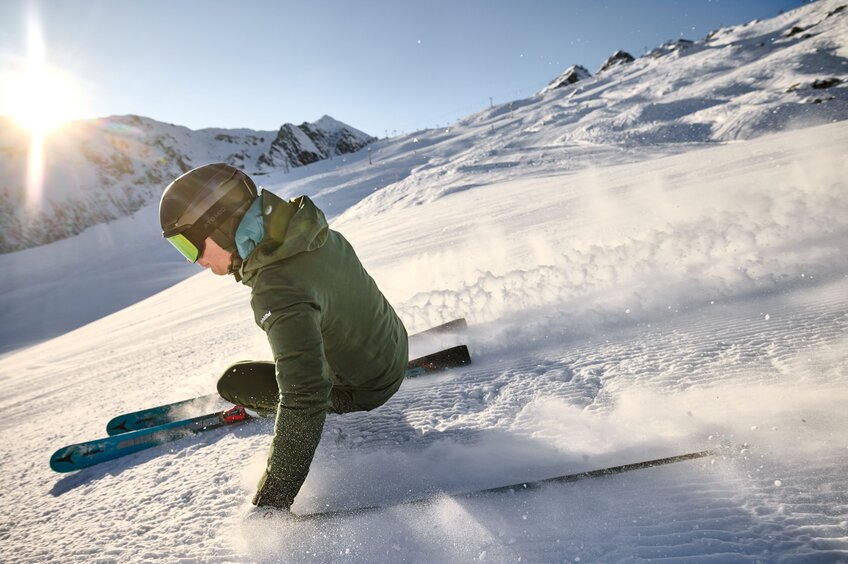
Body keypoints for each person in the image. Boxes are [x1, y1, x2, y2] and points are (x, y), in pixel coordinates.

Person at [159, 162, 409, 514]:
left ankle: (347, 391)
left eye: (188, 246)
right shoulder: (307, 229)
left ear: (217, 225)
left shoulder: (277, 287)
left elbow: (305, 396)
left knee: (236, 382)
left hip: (367, 389)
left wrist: (271, 503)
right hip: (393, 348)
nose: (193, 261)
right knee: (283, 355)